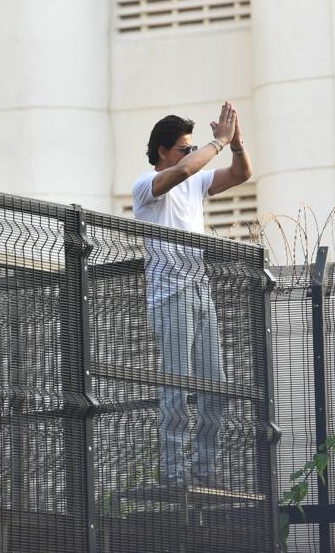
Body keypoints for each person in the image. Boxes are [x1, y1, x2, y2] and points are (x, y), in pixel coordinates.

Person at [132, 102, 252, 487]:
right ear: (163, 151)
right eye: (185, 146)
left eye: (192, 146)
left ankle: (205, 469)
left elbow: (241, 173)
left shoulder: (195, 182)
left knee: (214, 383)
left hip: (200, 290)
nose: (190, 153)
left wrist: (236, 143)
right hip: (170, 295)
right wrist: (217, 142)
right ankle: (173, 472)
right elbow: (183, 170)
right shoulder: (146, 187)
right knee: (177, 385)